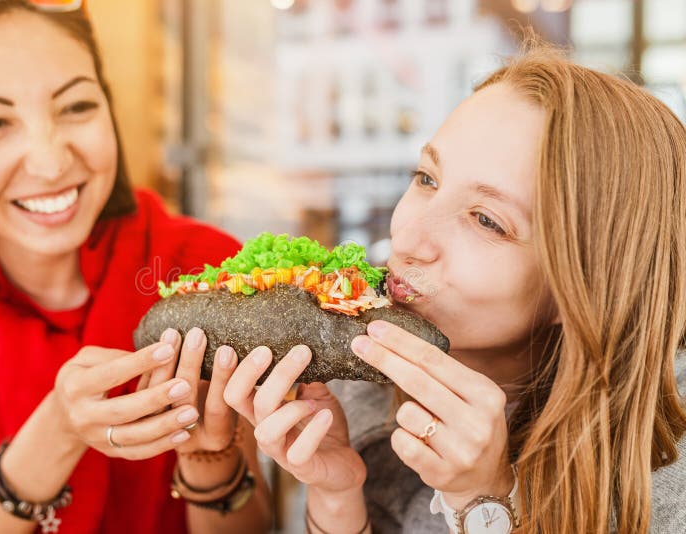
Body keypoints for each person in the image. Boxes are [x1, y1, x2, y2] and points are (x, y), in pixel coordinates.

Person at [224, 41, 686, 533]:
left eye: (487, 220)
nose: (408, 238)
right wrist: (336, 496)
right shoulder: (352, 392)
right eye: (427, 178)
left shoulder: (666, 472)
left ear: (590, 285)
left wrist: (483, 501)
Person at [0, 1, 270, 532]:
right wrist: (58, 432)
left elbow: (253, 525)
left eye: (76, 107)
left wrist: (211, 460)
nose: (50, 161)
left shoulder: (207, 271)